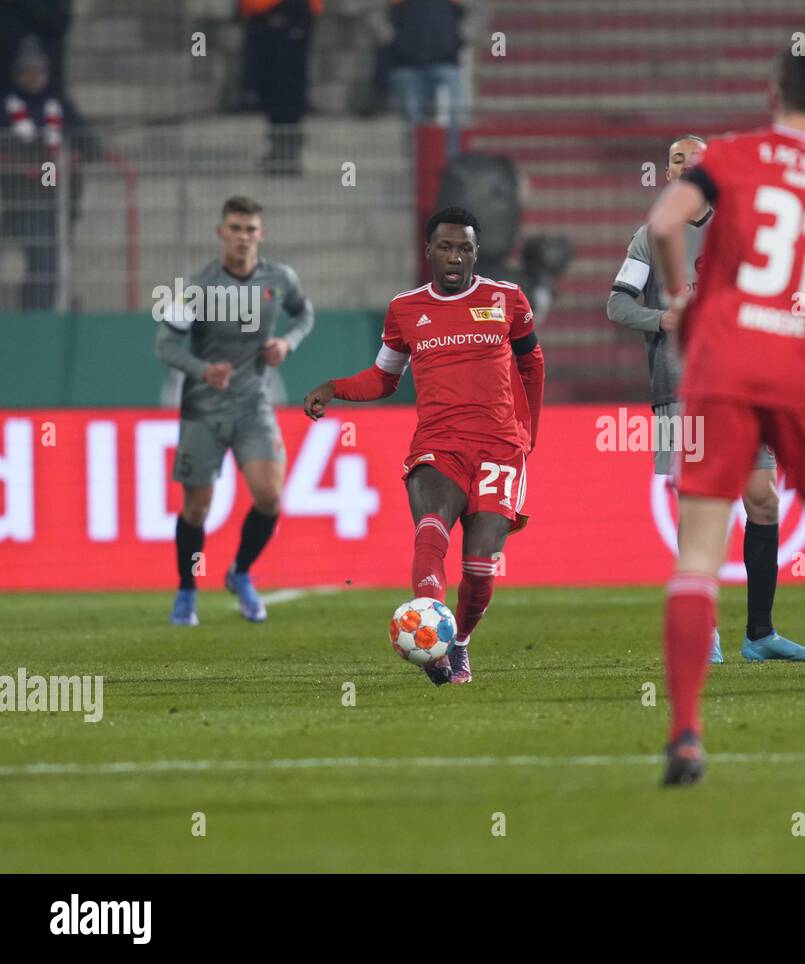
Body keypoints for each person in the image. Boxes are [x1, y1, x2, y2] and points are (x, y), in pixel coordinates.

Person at [646, 44, 805, 786]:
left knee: (699, 553)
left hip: (725, 366)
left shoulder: (727, 158)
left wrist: (682, 308)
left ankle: (686, 738)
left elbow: (667, 224)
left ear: (772, 92)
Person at [303, 207, 545, 687]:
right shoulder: (405, 309)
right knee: (431, 526)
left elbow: (532, 363)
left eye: (465, 248)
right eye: (446, 247)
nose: (455, 257)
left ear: (477, 253)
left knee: (479, 564)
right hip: (439, 443)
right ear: (429, 251)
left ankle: (457, 643)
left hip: (499, 448)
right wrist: (334, 387)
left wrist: (528, 433)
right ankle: (430, 645)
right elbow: (384, 378)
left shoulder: (507, 300)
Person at [607, 134, 805, 665]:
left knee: (763, 499)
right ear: (665, 173)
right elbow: (616, 304)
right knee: (699, 508)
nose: (686, 166)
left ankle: (760, 633)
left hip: (747, 385)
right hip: (679, 387)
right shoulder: (651, 236)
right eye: (677, 159)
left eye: (696, 160)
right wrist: (663, 318)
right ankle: (703, 632)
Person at [155, 196, 315, 626]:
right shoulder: (195, 287)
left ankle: (240, 573)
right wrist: (202, 369)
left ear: (260, 235)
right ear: (220, 233)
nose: (243, 237)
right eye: (235, 228)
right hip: (203, 409)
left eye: (250, 229)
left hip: (253, 403)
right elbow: (165, 344)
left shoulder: (280, 279)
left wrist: (287, 343)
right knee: (196, 509)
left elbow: (304, 315)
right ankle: (187, 592)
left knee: (269, 496)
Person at [0, 36, 95, 310]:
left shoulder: (58, 105)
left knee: (51, 262)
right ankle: (36, 317)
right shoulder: (7, 107)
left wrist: (76, 150)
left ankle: (46, 314)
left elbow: (89, 140)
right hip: (23, 200)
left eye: (39, 71)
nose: (34, 77)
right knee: (43, 260)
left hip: (60, 199)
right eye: (27, 71)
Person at [240, 0, 320, 175]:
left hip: (287, 72)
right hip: (274, 67)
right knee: (278, 111)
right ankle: (281, 156)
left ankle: (287, 159)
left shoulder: (296, 10)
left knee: (287, 114)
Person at [387, 0, 464, 157]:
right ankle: (418, 170)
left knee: (456, 115)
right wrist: (390, 39)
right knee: (413, 124)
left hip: (446, 59)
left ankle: (452, 165)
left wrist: (462, 35)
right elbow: (372, 10)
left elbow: (478, 9)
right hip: (406, 63)